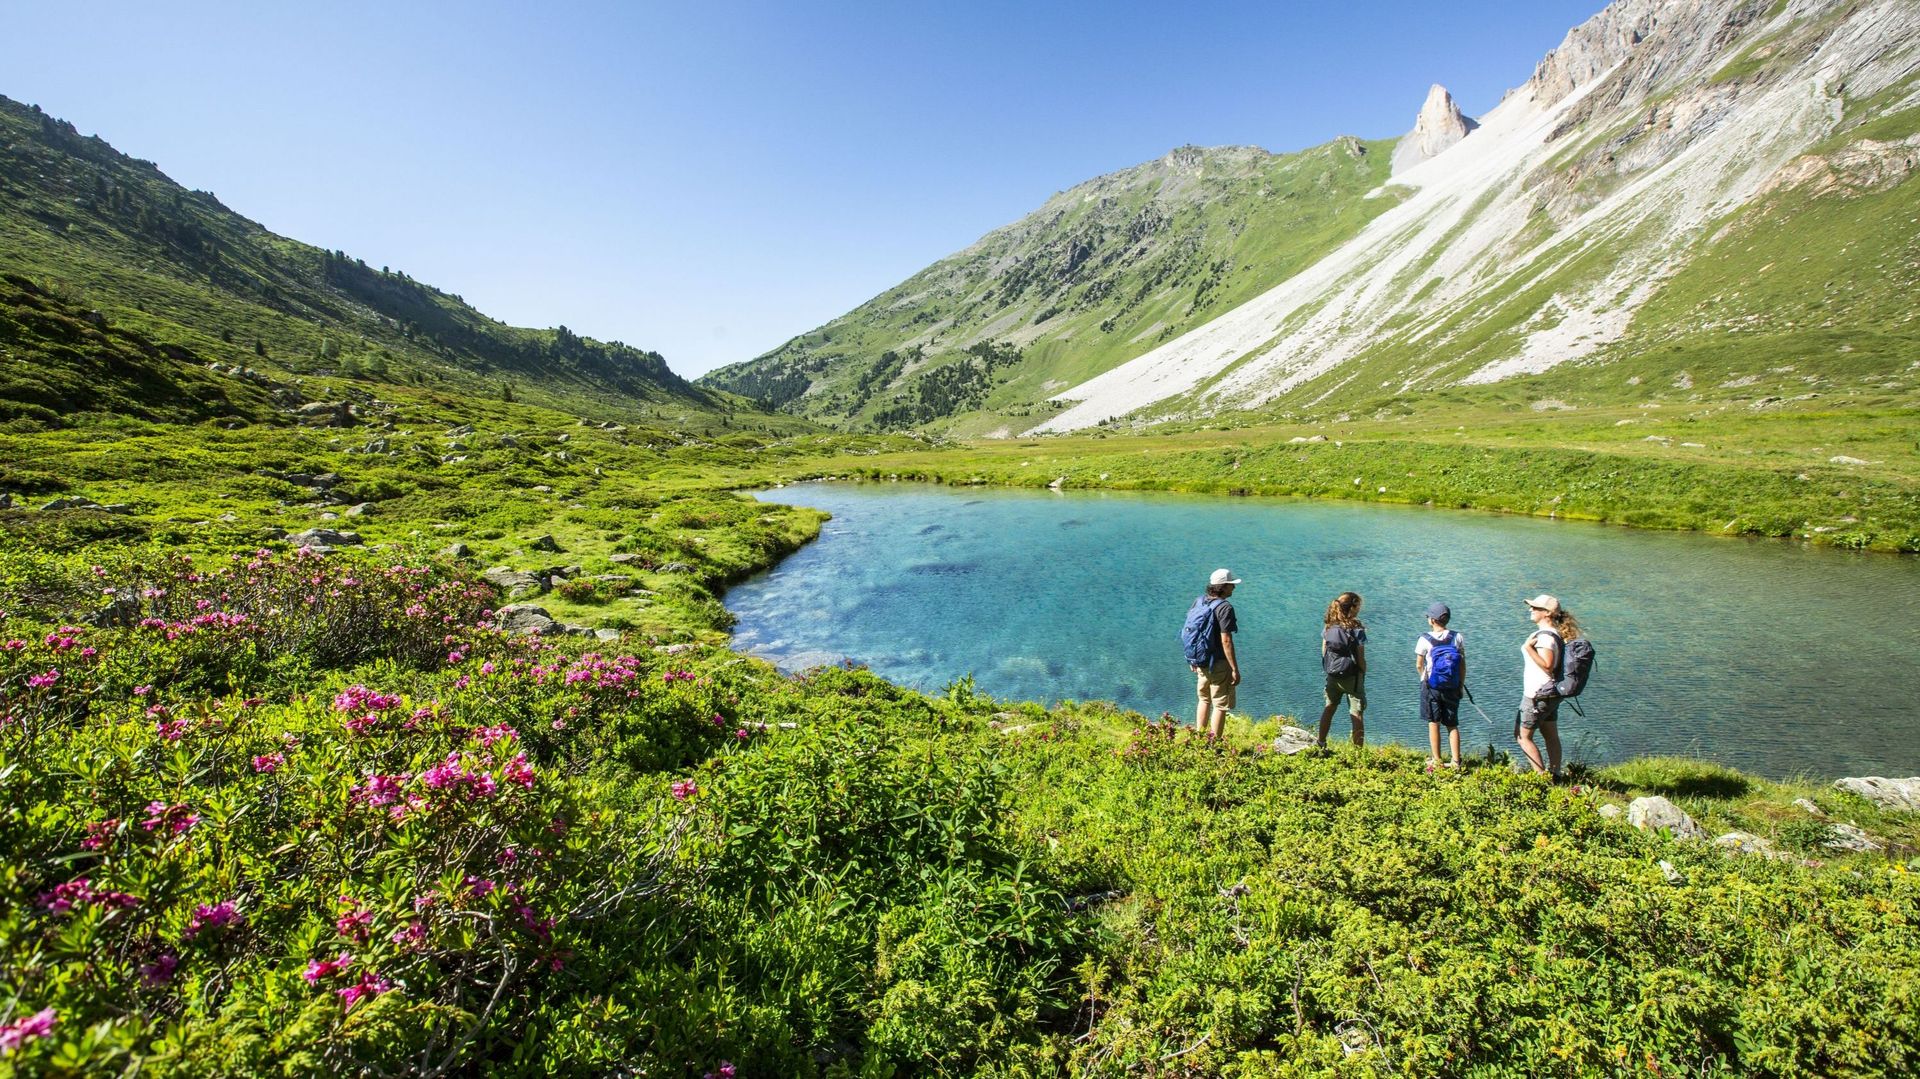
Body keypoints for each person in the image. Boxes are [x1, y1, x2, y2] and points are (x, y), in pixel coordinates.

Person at [1516, 593, 1581, 777]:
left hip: (1538, 694)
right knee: (1550, 734)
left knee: (1522, 737)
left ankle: (1541, 777)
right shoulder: (1554, 634)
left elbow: (1547, 665)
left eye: (1535, 608)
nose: (1531, 610)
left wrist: (1529, 648)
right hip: (1550, 693)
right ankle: (1556, 774)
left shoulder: (1545, 638)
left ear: (1547, 613)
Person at [1188, 568, 1242, 740]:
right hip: (1218, 662)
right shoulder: (1225, 608)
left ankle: (1199, 738)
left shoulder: (1199, 602)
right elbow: (1226, 640)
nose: (1233, 588)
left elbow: (1191, 632)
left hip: (1201, 661)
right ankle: (1214, 744)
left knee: (1204, 700)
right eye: (1231, 585)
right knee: (1220, 704)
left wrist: (1192, 658)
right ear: (1223, 587)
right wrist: (1234, 668)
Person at [1415, 601, 1465, 772]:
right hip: (1452, 685)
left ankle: (1436, 760)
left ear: (1432, 620)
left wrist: (1424, 678)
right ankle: (1456, 761)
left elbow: (1419, 664)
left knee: (1433, 722)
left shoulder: (1424, 639)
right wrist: (1460, 684)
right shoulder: (1457, 637)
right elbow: (1462, 664)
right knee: (1452, 724)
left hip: (1431, 686)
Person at [1317, 591, 1366, 748]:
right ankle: (1358, 752)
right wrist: (1362, 670)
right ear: (1352, 608)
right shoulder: (1357, 629)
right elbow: (1360, 657)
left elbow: (1324, 652)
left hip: (1332, 675)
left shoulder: (1329, 627)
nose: (1359, 609)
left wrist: (1332, 667)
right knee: (1356, 714)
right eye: (1358, 606)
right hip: (1352, 677)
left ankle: (1321, 742)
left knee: (1329, 708)